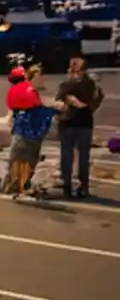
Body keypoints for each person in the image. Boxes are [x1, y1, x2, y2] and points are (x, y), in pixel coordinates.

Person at [55, 57, 105, 198]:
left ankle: (67, 185)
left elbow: (58, 100)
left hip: (68, 122)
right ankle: (83, 186)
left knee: (67, 155)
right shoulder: (91, 84)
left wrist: (68, 103)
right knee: (83, 156)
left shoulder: (66, 84)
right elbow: (99, 97)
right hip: (85, 122)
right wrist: (91, 108)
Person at [6, 65, 57, 199]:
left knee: (29, 162)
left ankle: (22, 186)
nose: (43, 79)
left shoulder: (33, 92)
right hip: (25, 134)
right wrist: (53, 108)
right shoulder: (27, 91)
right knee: (19, 161)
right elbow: (32, 111)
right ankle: (12, 188)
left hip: (34, 135)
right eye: (40, 76)